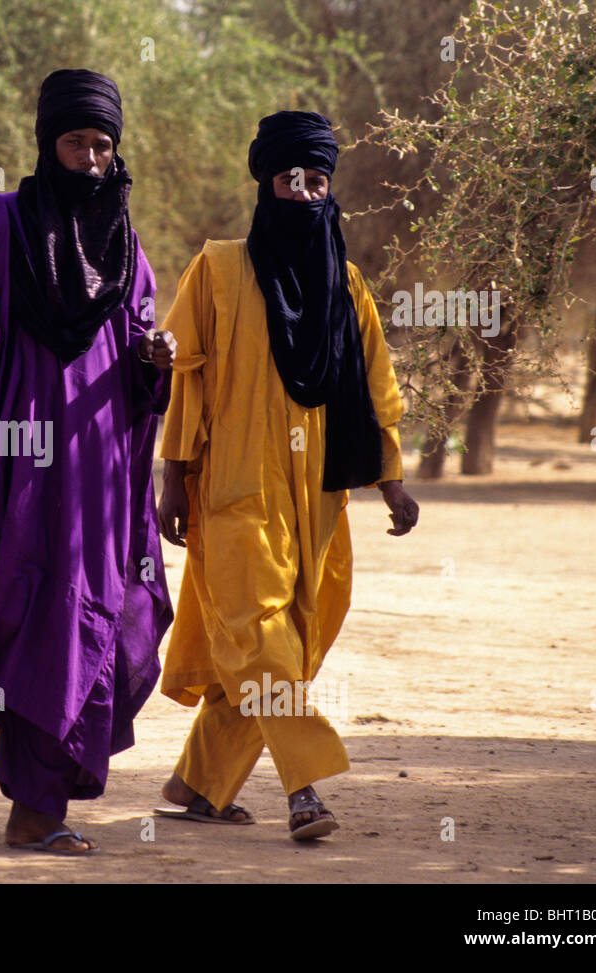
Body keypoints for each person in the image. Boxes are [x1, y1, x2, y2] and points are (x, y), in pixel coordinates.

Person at [0, 69, 175, 855]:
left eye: (101, 144)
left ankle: (37, 809)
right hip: (3, 460)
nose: (89, 158)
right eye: (75, 142)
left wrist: (157, 359)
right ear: (47, 144)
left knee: (76, 622)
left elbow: (141, 363)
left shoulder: (127, 250)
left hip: (94, 481)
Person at [153, 110, 419, 840]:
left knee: (293, 640)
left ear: (329, 189)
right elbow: (187, 378)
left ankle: (198, 785)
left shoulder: (349, 283)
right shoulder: (219, 267)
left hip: (319, 499)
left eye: (317, 180)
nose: (303, 193)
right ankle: (304, 787)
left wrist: (390, 479)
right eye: (289, 179)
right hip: (235, 491)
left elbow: (375, 385)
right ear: (266, 184)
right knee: (263, 636)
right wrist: (173, 477)